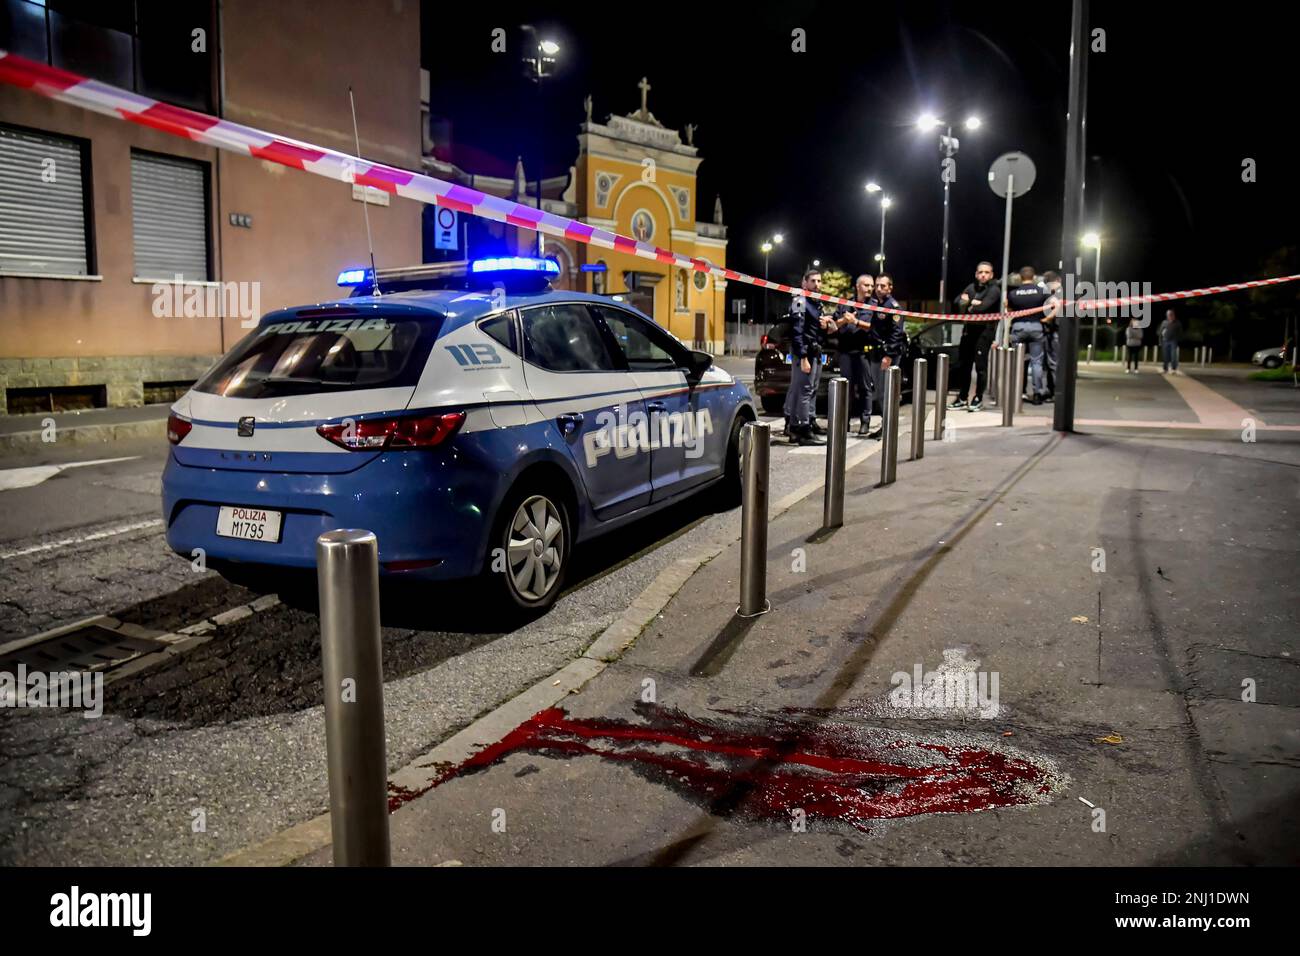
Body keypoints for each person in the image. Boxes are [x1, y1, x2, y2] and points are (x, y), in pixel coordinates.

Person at [783, 269, 837, 445]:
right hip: (804, 353)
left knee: (810, 389)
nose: (817, 285)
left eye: (820, 281)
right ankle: (802, 429)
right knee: (804, 391)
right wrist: (803, 356)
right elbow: (797, 332)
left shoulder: (816, 303)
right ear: (804, 283)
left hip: (815, 352)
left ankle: (799, 428)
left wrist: (826, 325)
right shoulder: (800, 301)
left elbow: (813, 330)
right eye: (813, 281)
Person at [950, 262, 1001, 411]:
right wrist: (972, 304)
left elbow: (983, 307)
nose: (983, 275)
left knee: (980, 367)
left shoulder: (994, 290)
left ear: (991, 274)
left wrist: (969, 303)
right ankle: (962, 397)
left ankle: (978, 398)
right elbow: (956, 301)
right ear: (976, 274)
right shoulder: (971, 287)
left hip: (985, 332)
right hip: (969, 331)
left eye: (986, 272)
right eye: (980, 272)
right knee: (964, 364)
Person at [864, 274, 908, 439]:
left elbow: (897, 333)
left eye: (883, 286)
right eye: (877, 285)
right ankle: (885, 425)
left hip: (887, 355)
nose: (879, 289)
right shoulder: (877, 304)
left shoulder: (893, 306)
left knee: (886, 393)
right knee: (880, 393)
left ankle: (889, 429)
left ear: (890, 288)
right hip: (876, 352)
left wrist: (889, 355)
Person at [1005, 266, 1057, 404]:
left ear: (1020, 278)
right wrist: (1048, 318)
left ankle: (1018, 392)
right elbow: (1056, 305)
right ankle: (1037, 393)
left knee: (1018, 362)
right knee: (1037, 362)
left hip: (1018, 328)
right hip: (1036, 327)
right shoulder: (1041, 291)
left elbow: (1008, 309)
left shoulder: (1013, 293)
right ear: (1033, 277)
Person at [834, 273, 876, 436]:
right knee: (846, 389)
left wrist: (856, 322)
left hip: (863, 353)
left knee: (865, 388)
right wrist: (844, 320)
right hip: (845, 352)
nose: (870, 289)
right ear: (858, 286)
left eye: (871, 286)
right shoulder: (845, 304)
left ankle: (865, 421)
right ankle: (844, 422)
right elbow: (834, 326)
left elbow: (873, 327)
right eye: (867, 285)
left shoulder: (874, 305)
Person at [1041, 270, 1063, 401]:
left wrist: (1046, 319)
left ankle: (1055, 392)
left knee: (1053, 363)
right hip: (1056, 331)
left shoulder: (1058, 294)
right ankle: (1052, 390)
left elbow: (1056, 308)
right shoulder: (1060, 293)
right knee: (1052, 363)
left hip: (1056, 331)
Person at [1159, 308, 1181, 374]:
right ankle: (1165, 369)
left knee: (1173, 355)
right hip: (1165, 341)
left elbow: (1180, 332)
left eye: (1171, 314)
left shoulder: (1177, 323)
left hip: (1173, 341)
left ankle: (1173, 369)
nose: (1169, 316)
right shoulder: (1164, 322)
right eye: (1168, 314)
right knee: (1165, 356)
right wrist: (1160, 341)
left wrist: (1177, 339)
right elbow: (1160, 332)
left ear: (1173, 315)